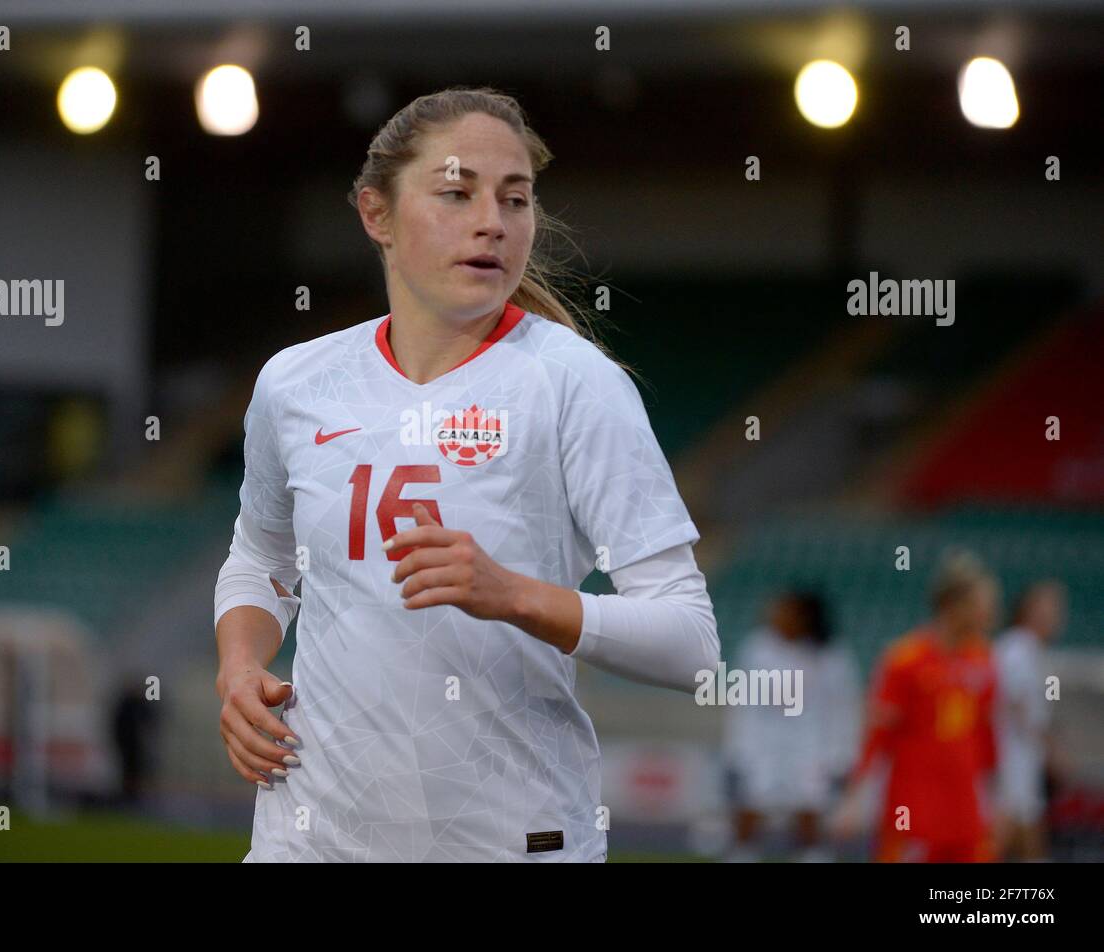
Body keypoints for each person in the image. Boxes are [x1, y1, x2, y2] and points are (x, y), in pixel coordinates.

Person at [213, 87, 719, 862]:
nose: (493, 220)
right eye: (457, 192)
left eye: (515, 200)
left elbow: (691, 645)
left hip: (512, 841)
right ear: (376, 214)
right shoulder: (295, 383)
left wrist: (514, 595)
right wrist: (241, 666)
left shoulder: (573, 384)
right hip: (308, 840)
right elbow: (262, 560)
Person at [831, 550, 1000, 862]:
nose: (991, 612)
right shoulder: (905, 659)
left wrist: (995, 794)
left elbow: (985, 732)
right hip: (913, 803)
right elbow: (879, 731)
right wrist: (856, 795)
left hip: (965, 807)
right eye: (983, 603)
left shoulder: (984, 659)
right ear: (953, 604)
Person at [724, 591, 860, 861]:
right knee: (750, 812)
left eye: (785, 611)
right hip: (761, 746)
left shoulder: (830, 656)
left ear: (803, 617)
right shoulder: (757, 649)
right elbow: (742, 705)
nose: (776, 617)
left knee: (809, 818)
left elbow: (841, 710)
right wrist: (737, 750)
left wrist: (841, 757)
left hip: (810, 749)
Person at [993, 580, 1067, 861]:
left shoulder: (1032, 651)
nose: (1056, 615)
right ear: (1029, 609)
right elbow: (1016, 705)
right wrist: (1051, 749)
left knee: (1023, 839)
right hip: (1012, 762)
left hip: (1023, 762)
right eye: (1049, 606)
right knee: (1010, 835)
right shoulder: (1017, 648)